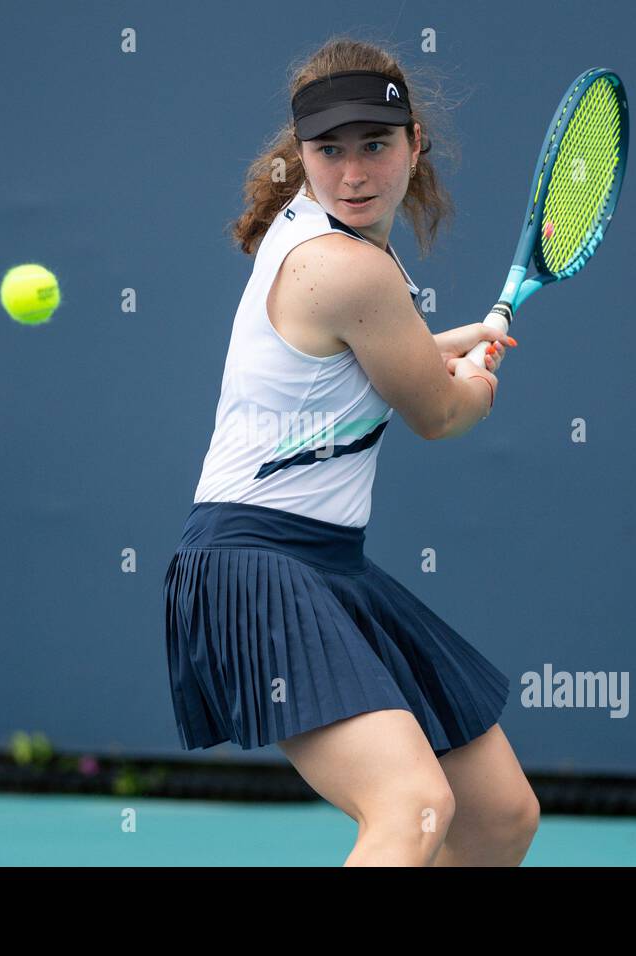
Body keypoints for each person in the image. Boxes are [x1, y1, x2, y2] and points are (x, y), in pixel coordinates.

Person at [163, 37, 539, 866]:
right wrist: (474, 381)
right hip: (254, 562)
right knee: (411, 810)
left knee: (498, 816)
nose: (354, 173)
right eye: (329, 151)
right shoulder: (343, 266)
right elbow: (439, 416)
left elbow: (350, 367)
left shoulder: (324, 232)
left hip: (330, 563)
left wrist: (452, 342)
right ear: (301, 156)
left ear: (414, 146)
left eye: (375, 146)